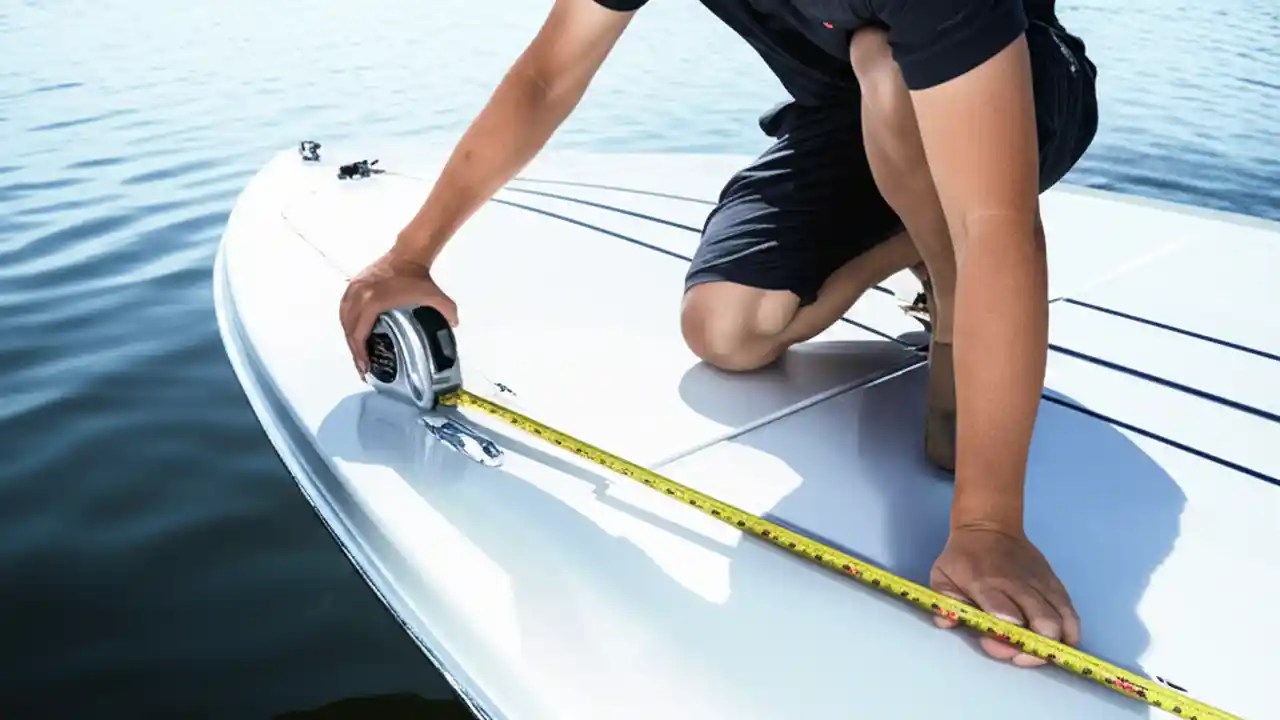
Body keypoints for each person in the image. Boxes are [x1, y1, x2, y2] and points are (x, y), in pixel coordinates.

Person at [338, 0, 1097, 668]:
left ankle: (954, 285)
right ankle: (922, 239)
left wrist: (989, 522)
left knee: (886, 67)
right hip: (853, 117)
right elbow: (547, 77)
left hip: (1018, 95)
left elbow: (998, 223)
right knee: (728, 330)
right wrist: (412, 253)